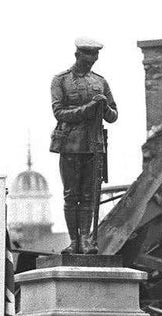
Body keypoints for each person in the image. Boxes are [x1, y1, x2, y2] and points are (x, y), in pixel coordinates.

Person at [50, 37, 118, 255]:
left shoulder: (100, 81)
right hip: (70, 144)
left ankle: (86, 240)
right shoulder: (61, 80)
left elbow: (113, 115)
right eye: (89, 55)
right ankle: (73, 241)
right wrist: (89, 108)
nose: (93, 59)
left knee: (90, 195)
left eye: (95, 56)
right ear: (78, 55)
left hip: (94, 145)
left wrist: (104, 106)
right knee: (71, 195)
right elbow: (59, 112)